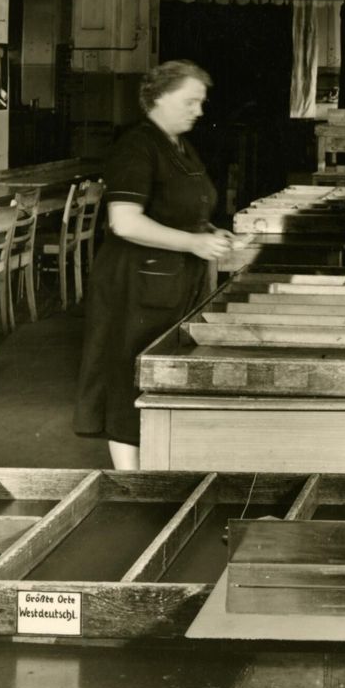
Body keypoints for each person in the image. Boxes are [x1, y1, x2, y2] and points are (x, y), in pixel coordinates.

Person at [74, 60, 237, 469]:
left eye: (201, 102)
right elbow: (124, 221)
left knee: (160, 374)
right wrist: (194, 242)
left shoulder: (179, 145)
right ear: (158, 98)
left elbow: (181, 209)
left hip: (172, 282)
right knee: (131, 377)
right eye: (189, 101)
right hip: (137, 286)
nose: (198, 111)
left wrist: (213, 233)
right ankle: (131, 485)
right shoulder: (137, 145)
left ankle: (157, 472)